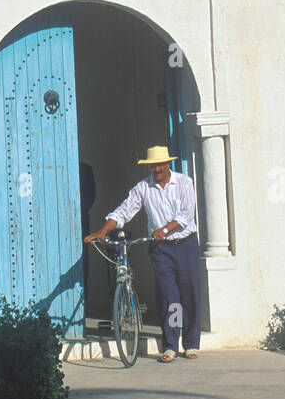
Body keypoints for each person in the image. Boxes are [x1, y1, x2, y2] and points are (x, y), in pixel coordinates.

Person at [84, 145, 201, 362]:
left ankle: (191, 343)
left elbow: (186, 215)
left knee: (189, 293)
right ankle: (170, 345)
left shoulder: (184, 183)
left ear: (168, 164)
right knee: (169, 296)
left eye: (159, 165)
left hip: (185, 244)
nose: (155, 169)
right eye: (152, 166)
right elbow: (124, 211)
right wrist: (102, 231)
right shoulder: (143, 188)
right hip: (161, 249)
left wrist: (164, 229)